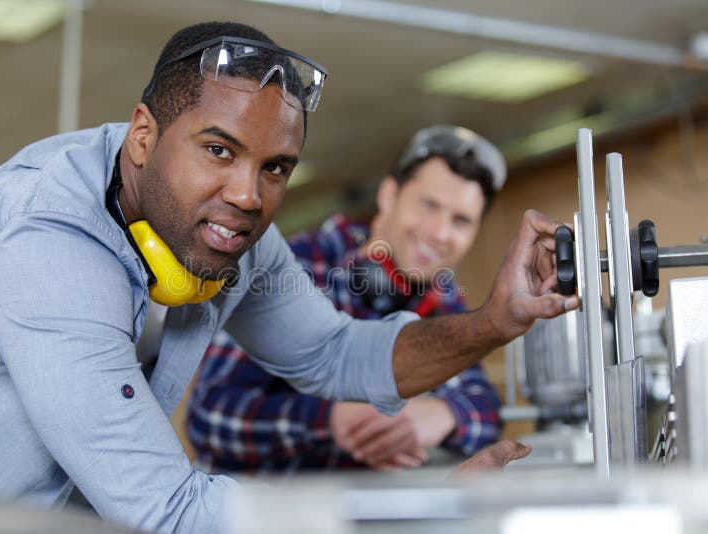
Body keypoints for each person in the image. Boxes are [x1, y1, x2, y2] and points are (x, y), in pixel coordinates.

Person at [0, 20, 577, 534]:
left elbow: (335, 352)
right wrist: (421, 512)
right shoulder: (49, 252)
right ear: (142, 138)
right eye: (218, 150)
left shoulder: (227, 238)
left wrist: (498, 321)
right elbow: (171, 511)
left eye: (276, 168)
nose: (248, 194)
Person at [187, 124, 506, 473]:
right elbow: (209, 418)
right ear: (388, 195)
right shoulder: (294, 265)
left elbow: (486, 405)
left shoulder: (441, 300)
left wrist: (447, 415)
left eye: (461, 221)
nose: (440, 232)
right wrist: (329, 420)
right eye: (429, 205)